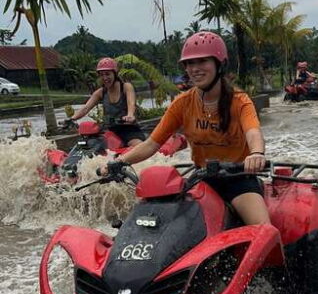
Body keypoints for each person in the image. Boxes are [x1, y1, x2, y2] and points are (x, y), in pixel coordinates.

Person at [106, 32, 270, 226]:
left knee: (264, 229)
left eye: (202, 61)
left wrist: (257, 153)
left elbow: (253, 132)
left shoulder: (240, 100)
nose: (195, 69)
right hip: (202, 178)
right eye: (190, 63)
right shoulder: (182, 103)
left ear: (220, 64)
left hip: (238, 179)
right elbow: (151, 144)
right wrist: (118, 162)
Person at [71, 58, 146, 147]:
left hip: (129, 130)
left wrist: (130, 115)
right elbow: (86, 108)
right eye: (101, 75)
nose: (105, 78)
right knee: (86, 145)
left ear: (115, 74)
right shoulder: (100, 92)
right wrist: (72, 119)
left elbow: (131, 103)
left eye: (107, 74)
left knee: (138, 146)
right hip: (109, 131)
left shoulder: (126, 87)